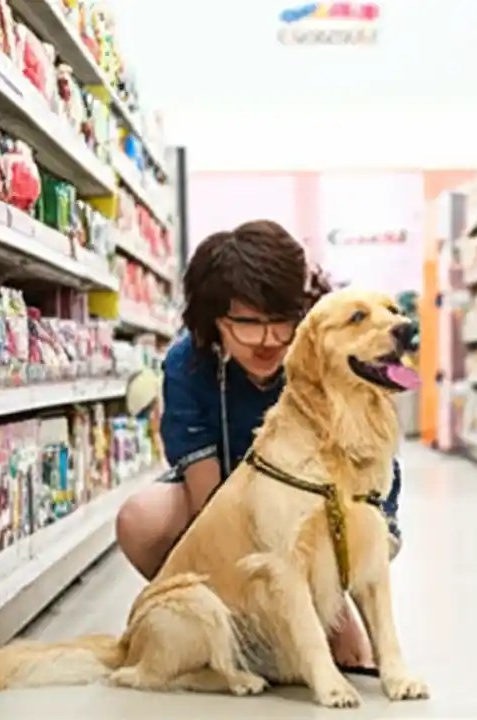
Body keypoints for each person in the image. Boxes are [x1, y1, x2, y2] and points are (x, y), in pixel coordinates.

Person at [115, 219, 402, 672]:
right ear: (215, 319)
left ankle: (311, 613)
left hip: (329, 513)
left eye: (281, 322)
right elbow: (207, 497)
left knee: (348, 655)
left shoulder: (323, 346)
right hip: (230, 512)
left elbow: (368, 470)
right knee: (142, 520)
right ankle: (220, 624)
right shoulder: (187, 366)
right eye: (247, 324)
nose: (268, 340)